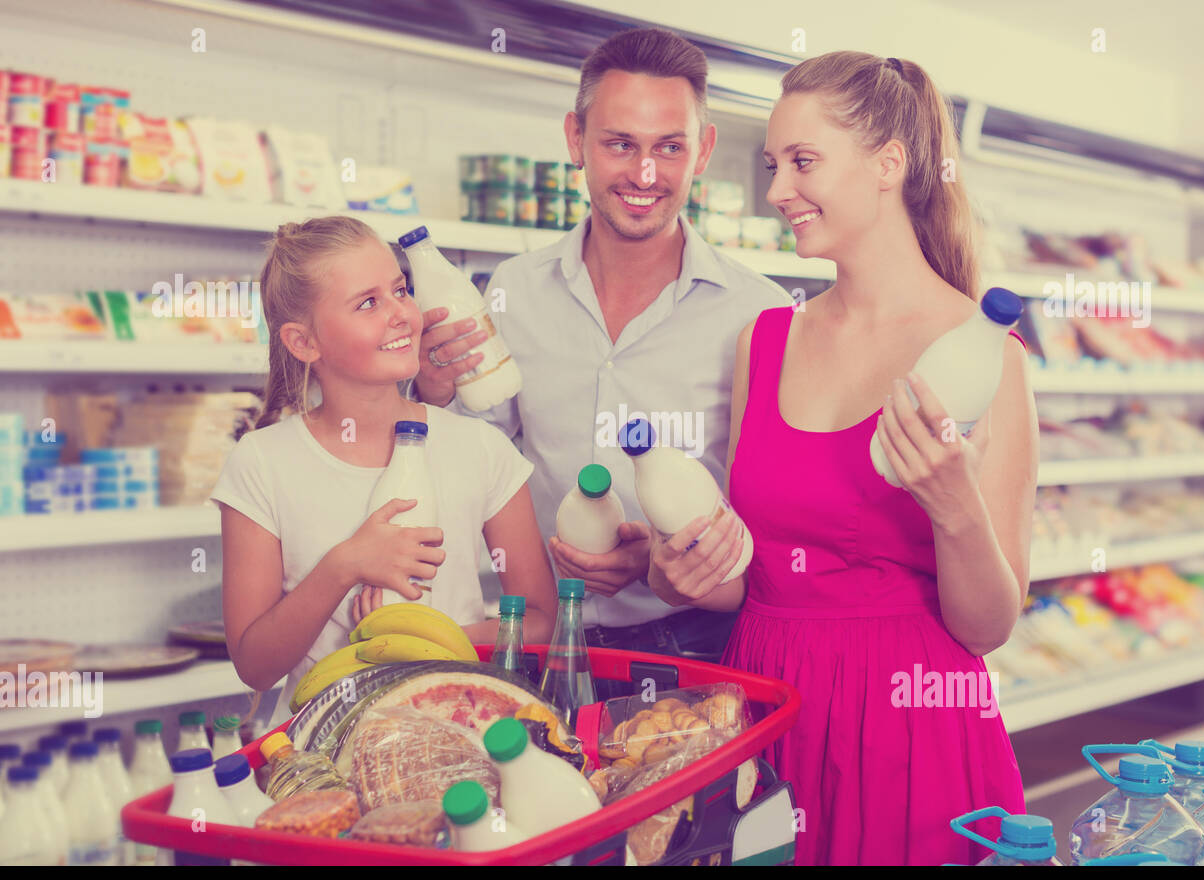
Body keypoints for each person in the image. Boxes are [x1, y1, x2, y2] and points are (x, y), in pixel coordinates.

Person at [647, 52, 1038, 865]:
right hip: (762, 705)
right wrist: (681, 567)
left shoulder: (986, 357)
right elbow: (753, 573)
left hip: (909, 724)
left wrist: (954, 504)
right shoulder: (769, 338)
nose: (779, 189)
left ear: (888, 165)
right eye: (772, 165)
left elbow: (989, 625)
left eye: (803, 162)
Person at [412, 28, 790, 676]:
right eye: (620, 144)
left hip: (700, 639)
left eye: (669, 147)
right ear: (575, 139)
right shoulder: (514, 290)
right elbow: (484, 464)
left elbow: (776, 509)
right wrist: (436, 393)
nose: (645, 174)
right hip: (541, 636)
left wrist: (660, 559)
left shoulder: (759, 312)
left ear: (703, 151)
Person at [212, 216, 557, 726]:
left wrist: (425, 634)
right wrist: (344, 565)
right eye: (368, 303)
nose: (402, 314)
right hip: (320, 756)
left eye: (401, 289)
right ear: (304, 343)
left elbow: (541, 621)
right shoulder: (262, 463)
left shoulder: (479, 447)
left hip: (459, 733)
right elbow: (255, 665)